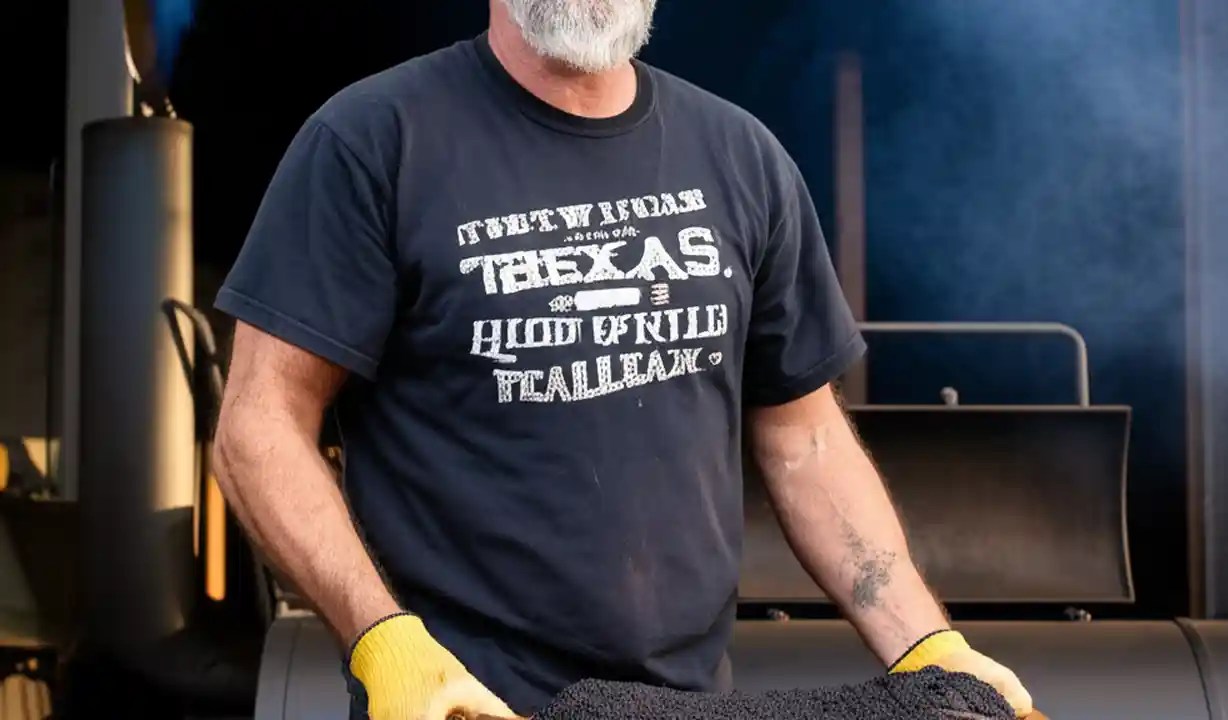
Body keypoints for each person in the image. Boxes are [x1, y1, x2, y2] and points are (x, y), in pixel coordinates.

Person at [210, 1, 1038, 719]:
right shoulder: (372, 142)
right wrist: (382, 643)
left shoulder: (739, 156)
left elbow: (807, 440)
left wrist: (926, 646)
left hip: (685, 708)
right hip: (464, 704)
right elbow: (259, 425)